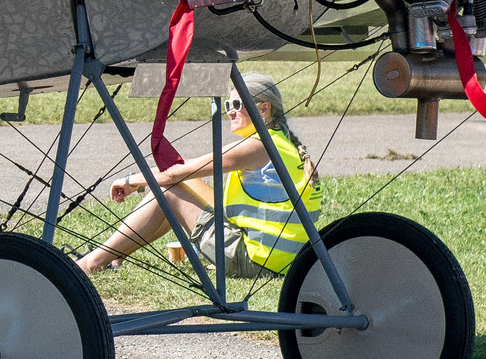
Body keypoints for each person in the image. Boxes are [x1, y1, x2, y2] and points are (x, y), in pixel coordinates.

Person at [75, 73, 319, 280]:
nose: (230, 113)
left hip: (255, 262)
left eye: (236, 106)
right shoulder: (283, 143)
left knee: (171, 191)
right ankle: (115, 255)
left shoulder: (257, 147)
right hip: (282, 262)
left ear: (263, 109)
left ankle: (92, 262)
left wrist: (130, 181)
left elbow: (179, 171)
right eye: (227, 106)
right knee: (182, 185)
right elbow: (187, 177)